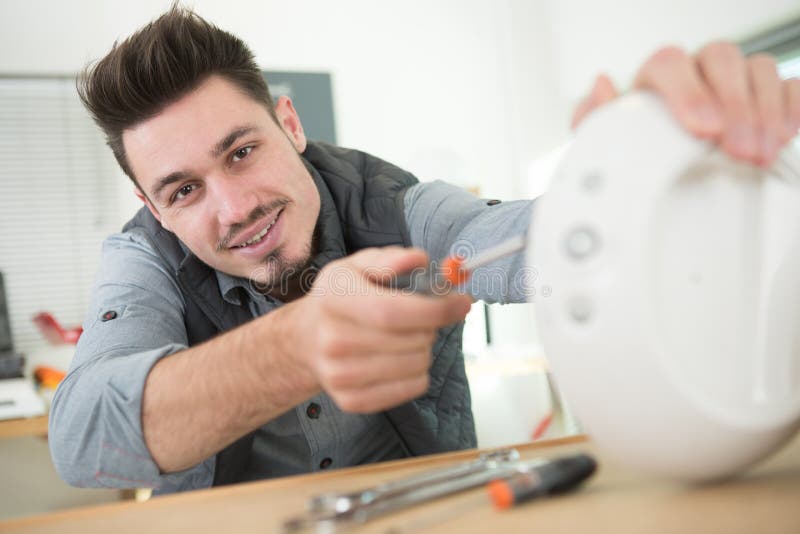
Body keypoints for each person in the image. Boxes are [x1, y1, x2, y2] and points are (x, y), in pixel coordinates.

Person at [49, 6, 799, 494]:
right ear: (151, 206)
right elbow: (82, 437)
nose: (234, 209)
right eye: (183, 191)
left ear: (289, 124)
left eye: (242, 152)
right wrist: (295, 347)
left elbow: (514, 242)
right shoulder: (144, 259)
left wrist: (658, 177)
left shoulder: (398, 204)